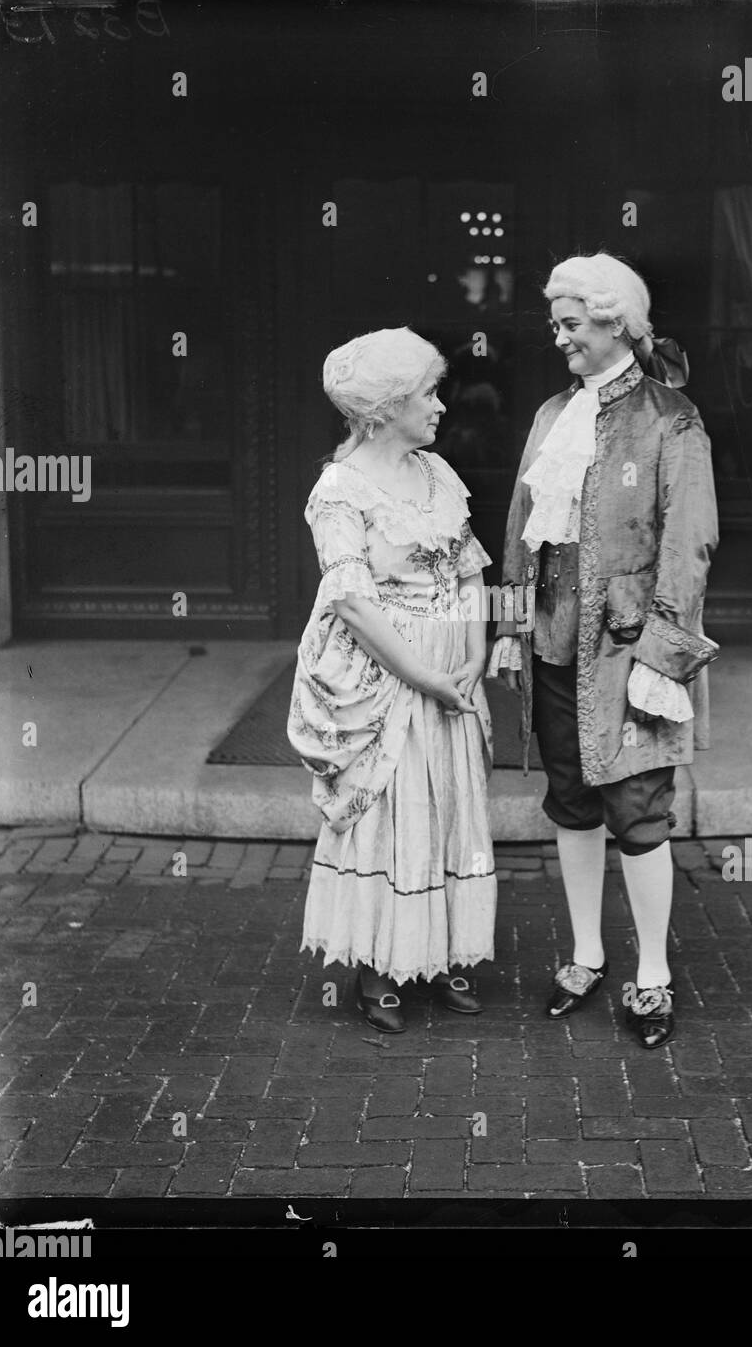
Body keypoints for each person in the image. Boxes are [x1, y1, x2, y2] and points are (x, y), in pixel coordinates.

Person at [487, 253, 719, 1051]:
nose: (558, 338)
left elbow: (688, 546)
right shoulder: (553, 414)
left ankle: (650, 972)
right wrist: (511, 627)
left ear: (616, 322)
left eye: (571, 324)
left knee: (638, 810)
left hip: (627, 652)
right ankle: (586, 953)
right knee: (571, 800)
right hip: (553, 642)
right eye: (554, 324)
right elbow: (521, 525)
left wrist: (661, 656)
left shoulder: (669, 418)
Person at [287, 327, 497, 1034]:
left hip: (448, 668)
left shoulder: (438, 474)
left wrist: (471, 653)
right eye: (427, 393)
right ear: (383, 408)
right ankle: (379, 960)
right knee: (388, 808)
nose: (441, 406)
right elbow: (350, 599)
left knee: (446, 806)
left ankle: (440, 951)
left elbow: (469, 568)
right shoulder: (339, 490)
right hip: (388, 674)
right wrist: (423, 676)